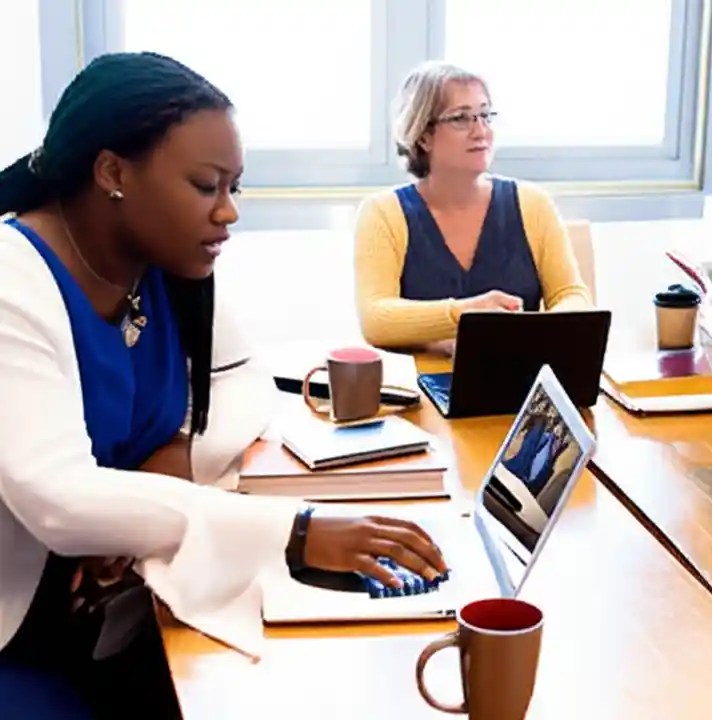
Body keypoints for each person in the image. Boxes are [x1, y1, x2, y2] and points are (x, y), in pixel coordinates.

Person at [0, 52, 448, 717]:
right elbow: (59, 503)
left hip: (121, 614)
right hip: (21, 641)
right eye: (208, 186)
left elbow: (245, 386)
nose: (229, 212)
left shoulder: (156, 268)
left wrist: (177, 447)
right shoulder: (14, 283)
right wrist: (296, 532)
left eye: (234, 186)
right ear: (112, 172)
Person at [354, 61, 592, 352]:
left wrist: (537, 336)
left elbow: (573, 296)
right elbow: (376, 318)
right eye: (461, 119)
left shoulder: (533, 203)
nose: (481, 131)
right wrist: (466, 314)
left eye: (485, 115)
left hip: (518, 382)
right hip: (422, 387)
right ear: (423, 135)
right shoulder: (382, 213)